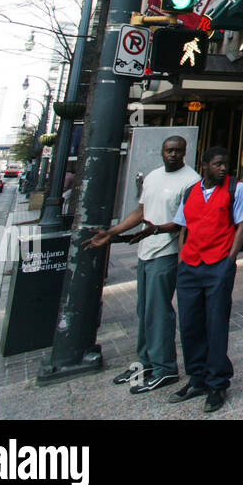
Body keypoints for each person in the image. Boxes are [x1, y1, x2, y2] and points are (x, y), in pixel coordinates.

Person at [86, 135, 199, 394]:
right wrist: (112, 232)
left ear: (185, 152)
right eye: (169, 149)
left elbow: (186, 221)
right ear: (161, 151)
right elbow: (141, 211)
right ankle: (146, 362)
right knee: (144, 309)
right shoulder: (153, 177)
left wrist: (158, 230)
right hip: (145, 252)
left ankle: (165, 368)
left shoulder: (191, 181)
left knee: (159, 311)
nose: (173, 154)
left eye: (178, 150)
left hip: (167, 252)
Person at [171, 146, 243, 413]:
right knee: (189, 323)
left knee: (216, 322)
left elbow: (242, 225)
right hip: (190, 265)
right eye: (218, 164)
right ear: (204, 165)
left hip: (218, 264)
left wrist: (229, 261)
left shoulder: (236, 188)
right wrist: (181, 258)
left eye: (226, 164)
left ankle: (218, 382)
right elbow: (183, 225)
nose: (223, 168)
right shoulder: (190, 192)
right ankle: (197, 377)